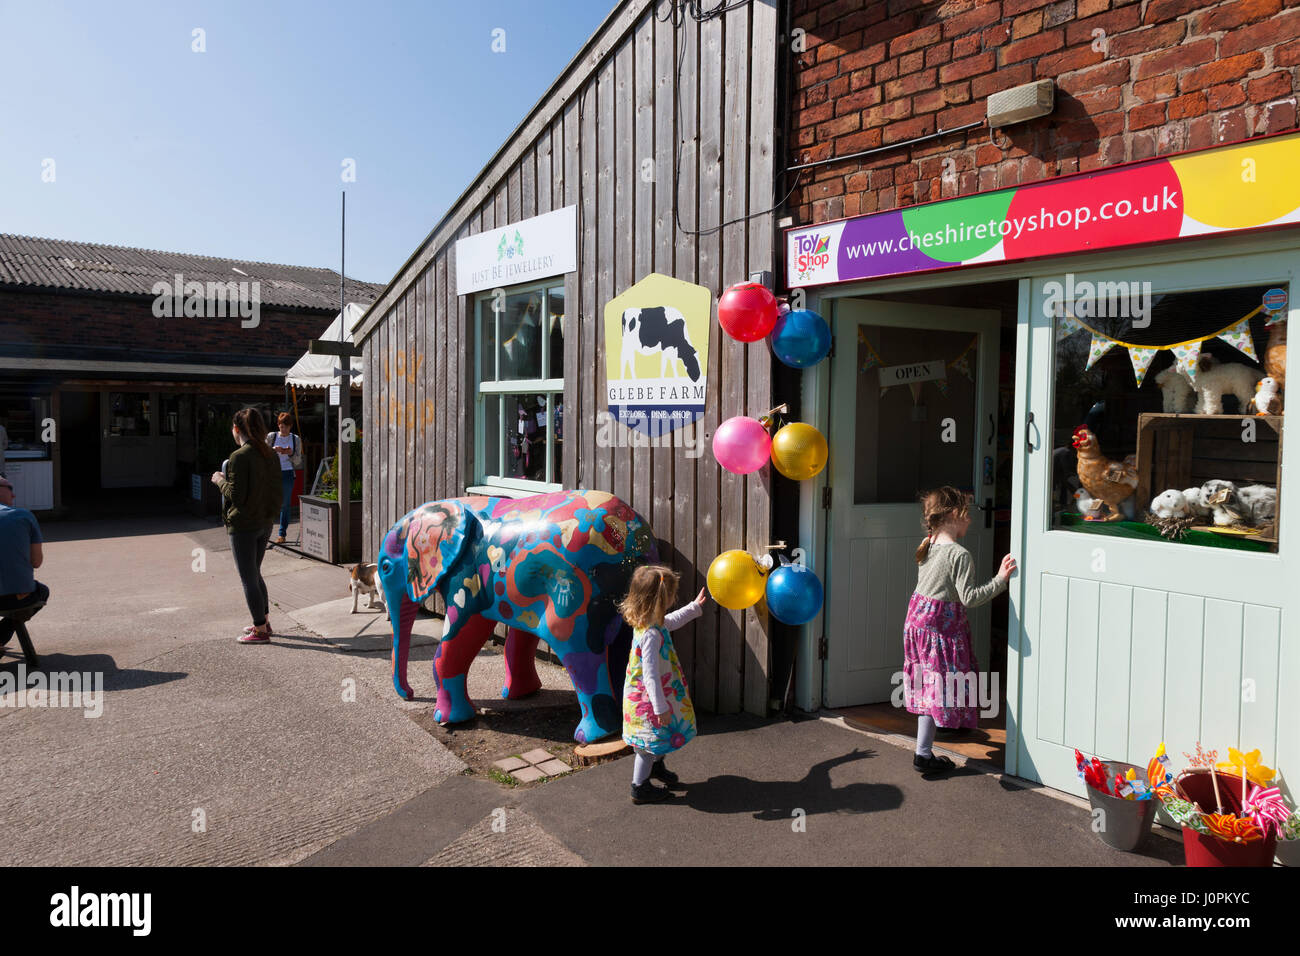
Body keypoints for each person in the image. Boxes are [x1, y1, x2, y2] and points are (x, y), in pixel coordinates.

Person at [905, 486, 1016, 775]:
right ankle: (925, 751)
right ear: (954, 514)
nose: (971, 520)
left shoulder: (928, 543)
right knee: (938, 686)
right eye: (968, 514)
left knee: (929, 683)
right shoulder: (959, 554)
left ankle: (936, 739)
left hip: (919, 625)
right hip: (941, 629)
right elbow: (970, 598)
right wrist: (1001, 580)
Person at [618, 566, 706, 804]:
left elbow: (672, 620)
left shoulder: (652, 622)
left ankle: (656, 768)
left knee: (660, 736)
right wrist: (660, 707)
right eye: (670, 596)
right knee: (647, 745)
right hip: (649, 699)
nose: (673, 599)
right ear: (658, 600)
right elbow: (651, 676)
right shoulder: (650, 635)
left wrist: (693, 607)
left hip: (658, 694)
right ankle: (640, 787)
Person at [212, 408, 282, 644]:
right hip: (265, 522)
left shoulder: (239, 457)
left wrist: (219, 480)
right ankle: (264, 621)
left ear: (236, 429)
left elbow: (236, 495)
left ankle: (260, 630)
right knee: (255, 573)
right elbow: (276, 491)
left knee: (248, 577)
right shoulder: (270, 454)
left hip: (243, 525)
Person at [0, 473, 49, 648]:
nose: (13, 494)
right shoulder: (23, 516)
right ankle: (0, 636)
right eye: (10, 488)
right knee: (42, 591)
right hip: (16, 598)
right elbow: (36, 561)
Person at [266, 412, 302, 545]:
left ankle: (282, 534)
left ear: (291, 426)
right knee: (270, 502)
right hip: (272, 473)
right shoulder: (272, 436)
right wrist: (273, 450)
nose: (284, 430)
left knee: (285, 505)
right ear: (278, 425)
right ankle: (265, 531)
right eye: (281, 427)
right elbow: (262, 453)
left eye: (286, 427)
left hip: (287, 472)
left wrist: (290, 453)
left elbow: (298, 461)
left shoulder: (295, 439)